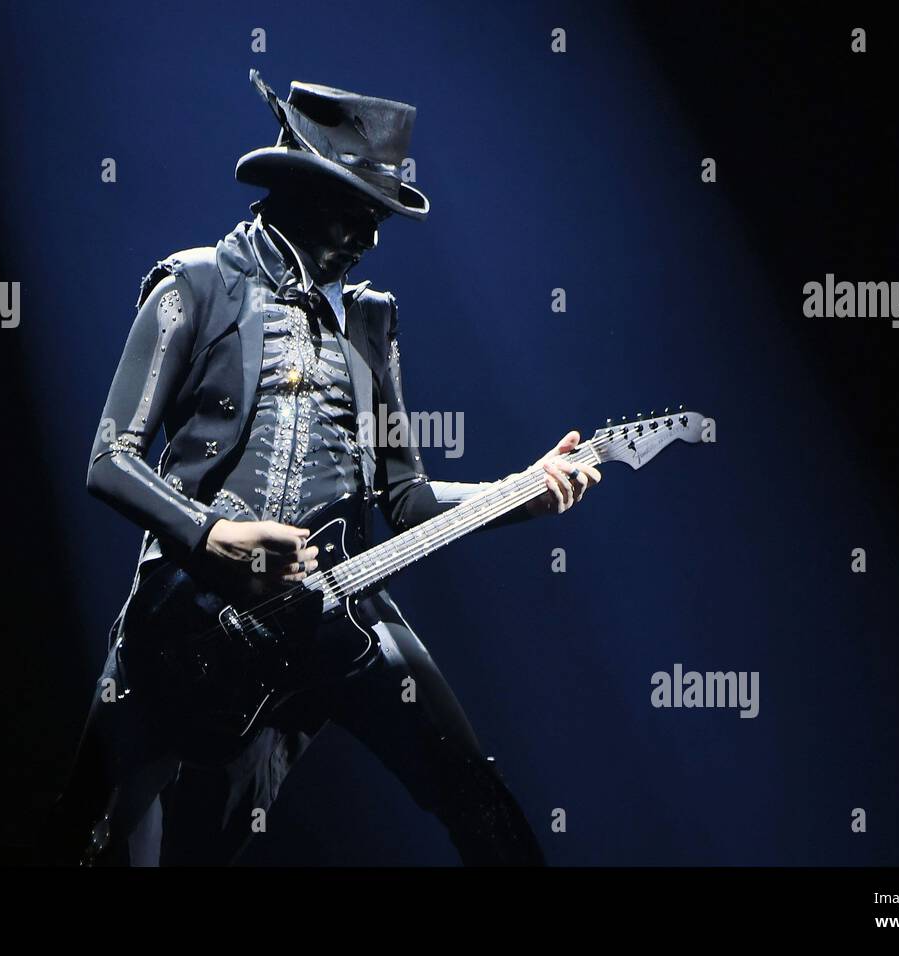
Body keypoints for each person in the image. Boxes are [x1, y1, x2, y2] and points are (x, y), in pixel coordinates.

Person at [45, 72, 599, 866]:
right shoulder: (194, 284)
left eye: (377, 219)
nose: (368, 239)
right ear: (297, 190)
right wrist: (214, 535)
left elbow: (404, 498)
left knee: (479, 802)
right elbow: (110, 460)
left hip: (339, 608)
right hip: (196, 617)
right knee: (110, 836)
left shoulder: (371, 320)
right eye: (353, 211)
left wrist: (524, 491)